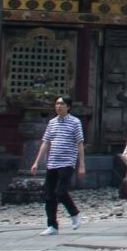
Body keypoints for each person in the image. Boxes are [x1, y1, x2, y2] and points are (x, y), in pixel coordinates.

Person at [29, 96, 86, 234]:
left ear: (68, 107)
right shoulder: (52, 123)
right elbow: (46, 143)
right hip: (52, 162)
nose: (58, 106)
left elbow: (80, 144)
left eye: (62, 104)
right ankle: (52, 225)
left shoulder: (75, 122)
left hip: (67, 162)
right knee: (49, 195)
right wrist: (36, 162)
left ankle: (74, 214)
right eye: (57, 104)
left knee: (60, 191)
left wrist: (81, 165)